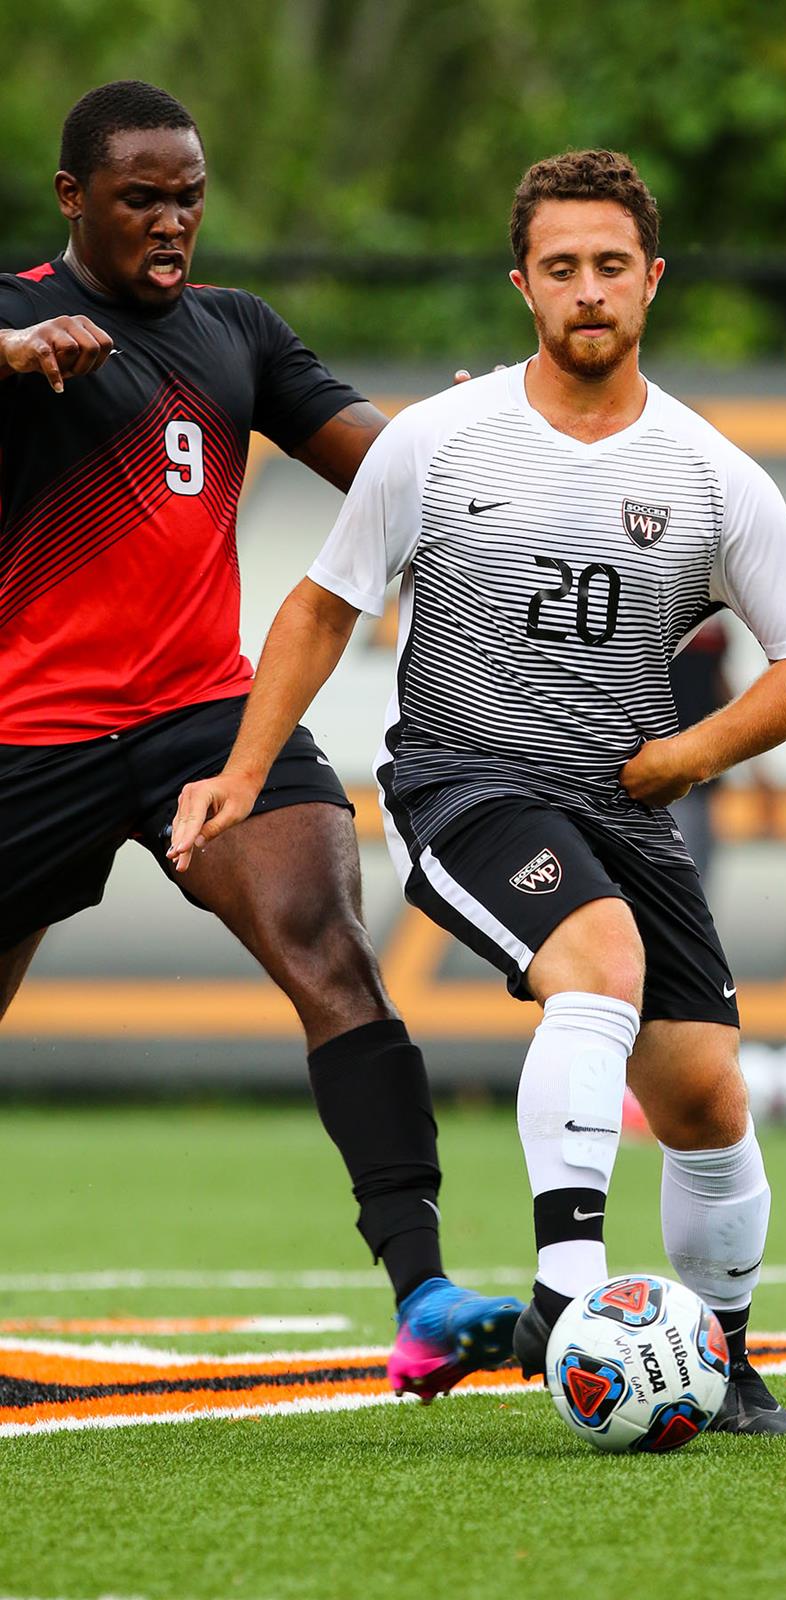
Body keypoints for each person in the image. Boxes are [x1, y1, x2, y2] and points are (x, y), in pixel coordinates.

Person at [170, 148, 786, 1435]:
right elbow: (321, 606)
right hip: (463, 783)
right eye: (560, 267)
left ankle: (727, 1360)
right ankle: (565, 1296)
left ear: (651, 281)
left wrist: (689, 758)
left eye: (610, 266)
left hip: (624, 803)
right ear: (521, 286)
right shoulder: (435, 440)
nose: (587, 289)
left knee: (707, 1098)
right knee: (597, 960)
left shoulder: (711, 473)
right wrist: (243, 771)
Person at [0, 79, 521, 1400]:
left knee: (330, 952)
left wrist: (471, 444)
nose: (171, 221)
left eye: (188, 197)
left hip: (204, 718)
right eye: (140, 198)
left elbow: (380, 463)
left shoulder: (235, 331)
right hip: (29, 731)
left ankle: (426, 1296)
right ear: (71, 197)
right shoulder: (17, 315)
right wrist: (7, 355)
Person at [669, 616, 777, 885]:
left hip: (699, 773)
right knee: (677, 882)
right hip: (654, 771)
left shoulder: (711, 615)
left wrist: (757, 767)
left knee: (696, 879)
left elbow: (718, 685)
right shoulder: (639, 606)